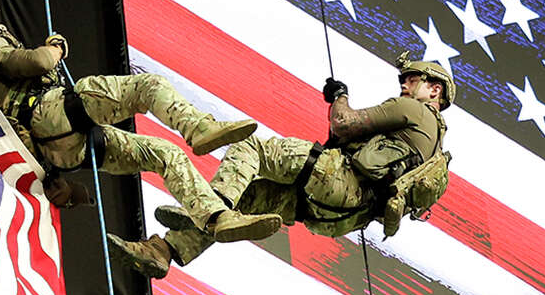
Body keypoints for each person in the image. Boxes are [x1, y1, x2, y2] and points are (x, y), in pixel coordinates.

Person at [112, 59, 456, 278]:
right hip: (338, 217)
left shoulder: (415, 110)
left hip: (334, 179)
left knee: (252, 147)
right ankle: (163, 252)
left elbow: (344, 124)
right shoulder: (433, 148)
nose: (404, 84)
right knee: (246, 199)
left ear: (434, 89)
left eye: (413, 79)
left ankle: (209, 206)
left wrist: (339, 95)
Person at [0, 23, 280, 246]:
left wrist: (71, 191)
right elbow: (39, 60)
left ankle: (216, 217)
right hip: (52, 113)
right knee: (147, 87)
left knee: (164, 155)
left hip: (60, 151)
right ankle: (199, 128)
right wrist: (56, 47)